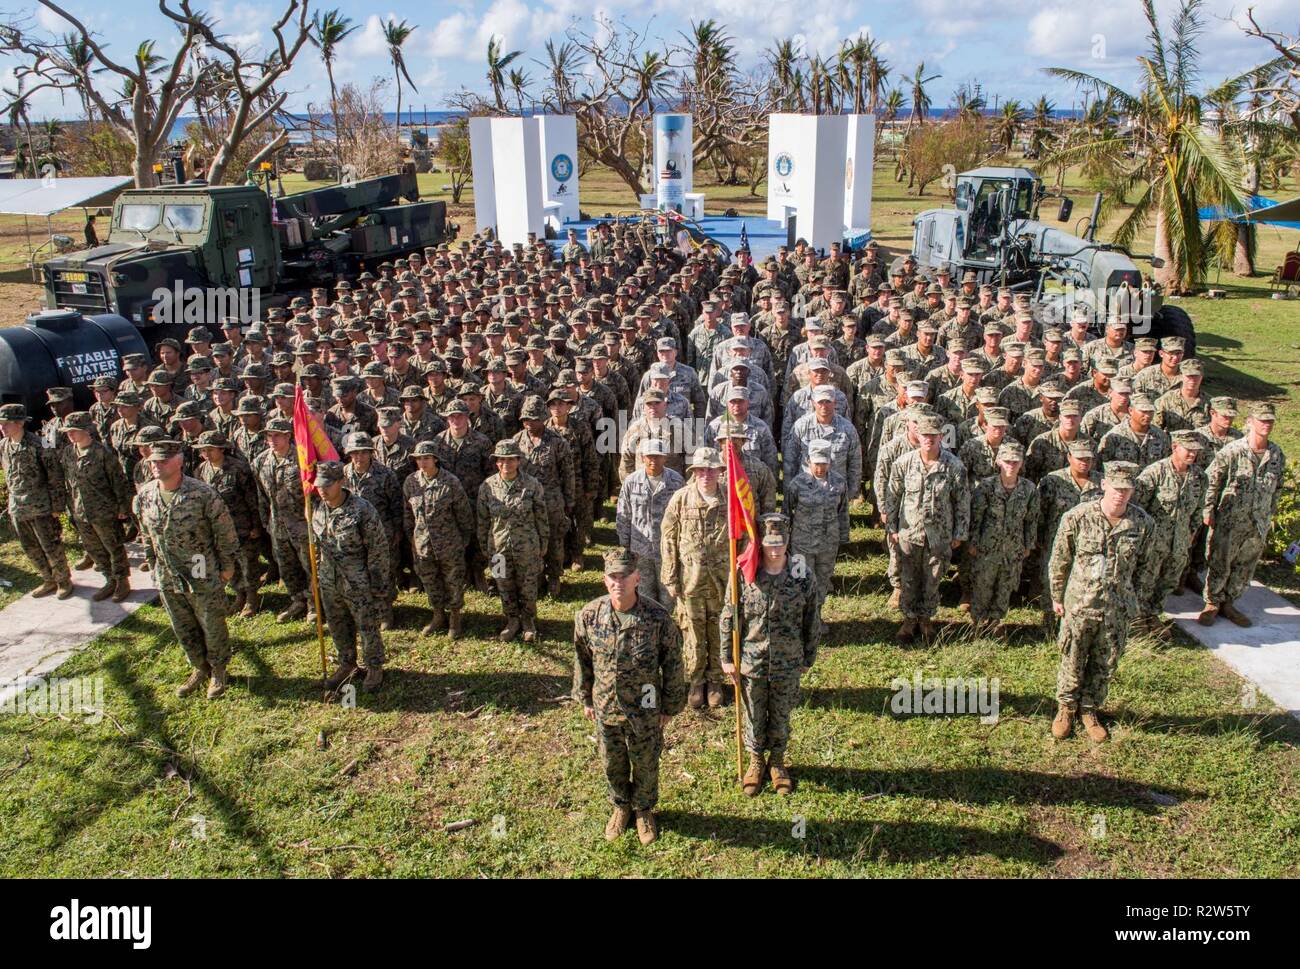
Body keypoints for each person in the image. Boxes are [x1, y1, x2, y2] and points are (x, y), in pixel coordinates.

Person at [572, 549, 685, 846]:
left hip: (645, 710)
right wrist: (585, 698)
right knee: (612, 761)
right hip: (606, 705)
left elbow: (673, 663)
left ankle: (644, 810)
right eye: (613, 576)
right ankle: (621, 805)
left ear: (638, 578)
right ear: (604, 580)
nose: (618, 582)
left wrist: (671, 706)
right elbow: (582, 660)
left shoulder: (657, 618)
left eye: (625, 576)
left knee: (646, 762)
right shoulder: (589, 616)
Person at [1048, 461, 1155, 741]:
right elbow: (1060, 560)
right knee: (1072, 656)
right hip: (1081, 603)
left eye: (1127, 489)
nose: (1120, 494)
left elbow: (1147, 567)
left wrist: (1136, 601)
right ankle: (1066, 707)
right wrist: (1057, 597)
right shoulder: (1077, 517)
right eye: (1116, 487)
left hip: (1116, 607)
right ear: (1104, 485)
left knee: (1105, 661)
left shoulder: (1142, 523)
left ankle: (1089, 709)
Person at [134, 439, 239, 699]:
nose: (157, 465)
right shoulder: (146, 495)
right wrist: (152, 563)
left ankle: (218, 669)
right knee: (183, 625)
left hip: (201, 571)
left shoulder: (202, 493)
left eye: (163, 460)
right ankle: (198, 667)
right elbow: (146, 534)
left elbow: (225, 532)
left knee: (211, 623)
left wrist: (227, 566)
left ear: (179, 462)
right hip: (168, 574)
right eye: (153, 461)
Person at [720, 527, 819, 796]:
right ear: (760, 543)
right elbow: (730, 615)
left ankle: (777, 761)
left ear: (787, 541)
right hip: (752, 660)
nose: (775, 550)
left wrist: (809, 655)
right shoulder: (745, 571)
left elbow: (812, 616)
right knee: (753, 713)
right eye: (769, 544)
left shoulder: (801, 573)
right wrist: (727, 657)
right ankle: (755, 761)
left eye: (780, 543)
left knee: (781, 713)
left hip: (788, 660)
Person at [1198, 403, 1287, 628]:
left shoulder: (1276, 454)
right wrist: (1208, 511)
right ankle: (1212, 603)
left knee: (1245, 564)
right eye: (1261, 420)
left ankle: (1229, 602)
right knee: (1221, 560)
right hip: (1230, 520)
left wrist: (1270, 514)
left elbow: (1277, 488)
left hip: (1257, 522)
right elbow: (1212, 483)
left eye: (1269, 421)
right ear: (1250, 422)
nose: (1266, 425)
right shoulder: (1232, 451)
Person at [884, 414, 970, 642]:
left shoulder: (953, 466)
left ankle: (926, 619)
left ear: (941, 436)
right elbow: (892, 497)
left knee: (933, 579)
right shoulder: (903, 463)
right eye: (925, 435)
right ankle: (909, 620)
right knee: (909, 578)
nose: (929, 439)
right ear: (917, 436)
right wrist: (891, 527)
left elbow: (962, 500)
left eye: (934, 435)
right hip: (910, 532)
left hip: (939, 535)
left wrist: (960, 533)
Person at [311, 461, 391, 693]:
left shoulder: (362, 509)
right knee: (337, 624)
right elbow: (315, 546)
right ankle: (346, 663)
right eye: (318, 486)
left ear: (341, 482)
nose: (322, 490)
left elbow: (378, 549)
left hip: (358, 581)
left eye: (327, 485)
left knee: (367, 626)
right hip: (329, 580)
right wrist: (315, 576)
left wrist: (377, 584)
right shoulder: (316, 508)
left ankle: (374, 666)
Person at [660, 446, 730, 710]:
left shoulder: (731, 501)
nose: (705, 475)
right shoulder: (680, 499)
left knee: (719, 630)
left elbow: (744, 540)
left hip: (722, 582)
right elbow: (668, 539)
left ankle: (715, 681)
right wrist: (670, 576)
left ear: (719, 472)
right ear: (694, 472)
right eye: (700, 470)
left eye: (711, 470)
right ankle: (696, 680)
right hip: (690, 582)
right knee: (693, 633)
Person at [477, 440, 549, 643]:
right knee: (503, 584)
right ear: (496, 462)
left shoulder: (532, 485)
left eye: (510, 459)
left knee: (528, 585)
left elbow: (541, 516)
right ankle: (511, 620)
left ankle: (528, 621)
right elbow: (482, 520)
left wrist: (543, 543)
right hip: (498, 548)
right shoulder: (488, 487)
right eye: (501, 460)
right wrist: (485, 546)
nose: (505, 464)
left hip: (527, 547)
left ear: (518, 461)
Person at [1133, 431, 1207, 625]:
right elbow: (1137, 508)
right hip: (1154, 541)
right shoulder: (1155, 473)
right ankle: (1138, 618)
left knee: (1169, 580)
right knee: (1145, 580)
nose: (1192, 454)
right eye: (1188, 449)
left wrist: (1191, 533)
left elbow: (1198, 509)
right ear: (1175, 447)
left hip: (1180, 542)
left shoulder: (1199, 477)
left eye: (1195, 450)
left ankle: (1153, 614)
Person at [0, 403, 73, 599]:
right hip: (18, 507)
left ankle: (63, 581)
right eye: (1, 424)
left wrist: (57, 506)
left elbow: (55, 477)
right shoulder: (3, 446)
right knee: (30, 547)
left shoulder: (39, 445)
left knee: (51, 545)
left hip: (41, 507)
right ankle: (48, 579)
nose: (2, 428)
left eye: (6, 423)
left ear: (20, 423)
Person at [59, 411, 132, 602]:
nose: (70, 435)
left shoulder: (102, 453)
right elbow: (68, 482)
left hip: (104, 511)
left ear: (86, 430)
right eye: (68, 431)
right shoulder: (68, 452)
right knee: (94, 549)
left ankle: (122, 582)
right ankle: (109, 580)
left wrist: (123, 508)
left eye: (74, 431)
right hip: (80, 511)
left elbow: (118, 481)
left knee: (114, 548)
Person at [967, 441, 1039, 634]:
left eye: (1015, 462)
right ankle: (976, 622)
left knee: (1005, 586)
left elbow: (1031, 520)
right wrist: (973, 542)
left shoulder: (1029, 489)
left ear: (1022, 463)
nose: (1011, 465)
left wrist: (1028, 545)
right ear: (998, 461)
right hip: (987, 547)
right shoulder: (986, 487)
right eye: (1007, 461)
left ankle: (995, 622)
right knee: (983, 584)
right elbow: (976, 517)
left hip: (1013, 547)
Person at [404, 440, 474, 638]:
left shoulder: (450, 482)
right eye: (419, 459)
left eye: (427, 458)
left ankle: (455, 617)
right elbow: (408, 515)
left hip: (449, 543)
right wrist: (413, 539)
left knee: (453, 581)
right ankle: (437, 614)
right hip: (422, 545)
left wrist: (462, 540)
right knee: (430, 581)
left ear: (435, 459)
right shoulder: (411, 482)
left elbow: (463, 514)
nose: (423, 462)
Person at [194, 430, 263, 617]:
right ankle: (239, 593)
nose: (206, 454)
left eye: (210, 449)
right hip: (219, 528)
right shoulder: (201, 471)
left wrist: (256, 525)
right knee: (229, 563)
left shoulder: (239, 469)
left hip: (241, 525)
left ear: (221, 449)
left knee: (247, 563)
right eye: (203, 451)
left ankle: (251, 597)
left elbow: (252, 499)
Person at [783, 439, 849, 634]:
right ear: (807, 460)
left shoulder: (838, 483)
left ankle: (815, 618)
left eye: (824, 463)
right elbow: (787, 512)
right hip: (801, 544)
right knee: (799, 582)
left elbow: (843, 511)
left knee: (821, 582)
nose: (820, 467)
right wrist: (785, 541)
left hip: (828, 544)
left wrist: (843, 536)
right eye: (816, 463)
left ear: (830, 461)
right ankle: (797, 620)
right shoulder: (797, 484)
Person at [615, 438, 684, 611]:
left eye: (658, 457)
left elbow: (682, 516)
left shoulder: (676, 481)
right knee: (644, 594)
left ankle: (666, 627)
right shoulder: (631, 482)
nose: (654, 461)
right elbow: (623, 515)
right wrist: (625, 545)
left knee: (668, 594)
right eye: (649, 457)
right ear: (643, 458)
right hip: (640, 549)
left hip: (667, 548)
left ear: (665, 458)